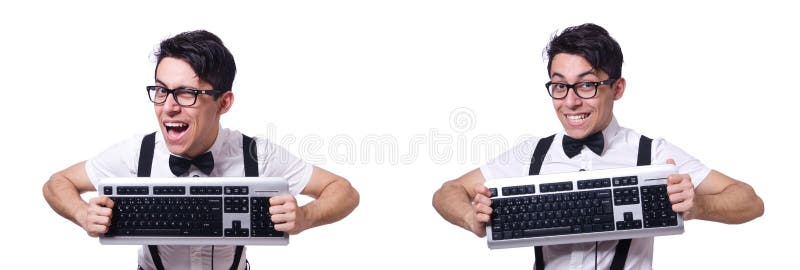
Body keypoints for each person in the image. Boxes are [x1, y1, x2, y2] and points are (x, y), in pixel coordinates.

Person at [431, 23, 763, 269]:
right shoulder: (531, 155)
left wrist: (699, 206)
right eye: (559, 86)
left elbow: (750, 201)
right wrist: (470, 217)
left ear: (617, 88)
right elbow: (447, 192)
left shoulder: (653, 154)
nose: (570, 102)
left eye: (587, 85)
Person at [42, 30, 360, 270]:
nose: (168, 107)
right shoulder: (136, 154)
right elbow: (57, 183)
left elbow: (344, 191)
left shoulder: (256, 155)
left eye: (186, 93)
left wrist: (305, 216)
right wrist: (82, 213)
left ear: (224, 103)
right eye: (161, 90)